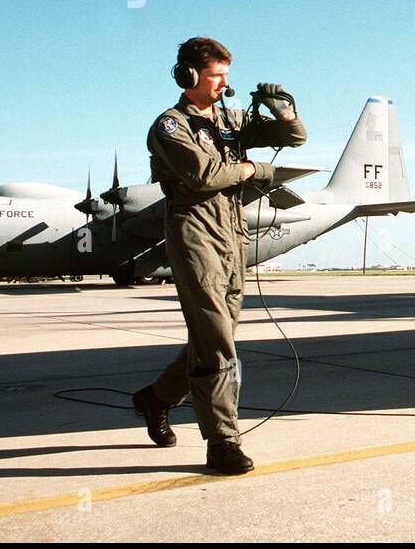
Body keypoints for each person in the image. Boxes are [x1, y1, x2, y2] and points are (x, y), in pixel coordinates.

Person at [131, 36, 306, 474]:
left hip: (231, 234)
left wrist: (283, 111)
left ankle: (156, 397)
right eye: (215, 76)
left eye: (227, 75)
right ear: (189, 76)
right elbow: (205, 174)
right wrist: (255, 169)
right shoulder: (170, 125)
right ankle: (222, 441)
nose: (223, 84)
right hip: (195, 233)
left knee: (215, 335)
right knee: (217, 341)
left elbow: (295, 139)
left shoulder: (230, 119)